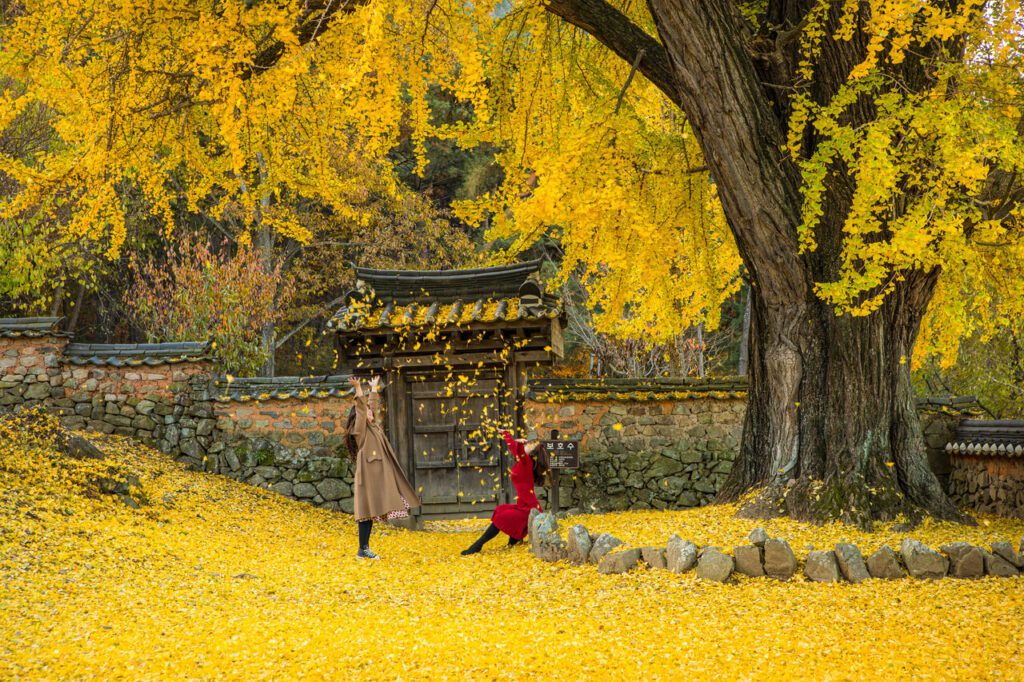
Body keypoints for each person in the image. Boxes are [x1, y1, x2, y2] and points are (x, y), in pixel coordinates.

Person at [345, 375, 420, 559]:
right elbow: (362, 409)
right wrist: (358, 389)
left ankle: (364, 549)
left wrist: (373, 389)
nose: (371, 413)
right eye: (367, 412)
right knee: (365, 511)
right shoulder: (360, 429)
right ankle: (363, 549)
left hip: (377, 475)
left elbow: (371, 408)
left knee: (369, 512)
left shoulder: (374, 427)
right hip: (369, 476)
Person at [461, 429, 543, 555]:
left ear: (532, 452)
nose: (526, 445)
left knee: (502, 517)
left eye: (529, 445)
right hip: (523, 505)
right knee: (501, 510)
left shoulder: (527, 462)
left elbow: (519, 450)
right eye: (526, 444)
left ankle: (477, 545)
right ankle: (513, 542)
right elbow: (514, 449)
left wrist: (520, 444)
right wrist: (505, 433)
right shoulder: (523, 461)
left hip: (528, 508)